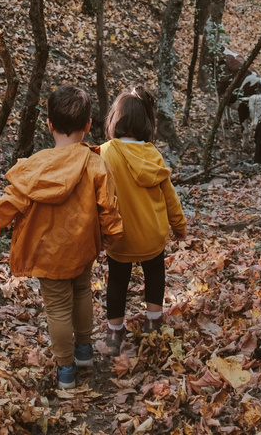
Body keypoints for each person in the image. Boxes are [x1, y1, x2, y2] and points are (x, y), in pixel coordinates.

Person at [0, 84, 123, 390]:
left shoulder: (36, 166)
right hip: (82, 247)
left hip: (47, 251)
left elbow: (14, 197)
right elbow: (109, 208)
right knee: (82, 292)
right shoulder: (95, 164)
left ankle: (65, 370)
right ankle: (84, 351)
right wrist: (111, 236)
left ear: (49, 124)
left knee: (57, 308)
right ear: (88, 126)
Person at [99, 84, 187, 354]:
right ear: (147, 122)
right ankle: (153, 321)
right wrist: (179, 227)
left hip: (120, 237)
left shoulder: (105, 152)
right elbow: (169, 196)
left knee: (117, 279)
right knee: (155, 271)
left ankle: (114, 332)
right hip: (153, 234)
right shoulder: (153, 155)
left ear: (115, 121)